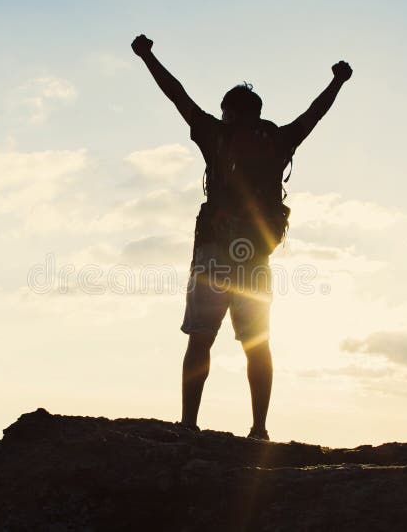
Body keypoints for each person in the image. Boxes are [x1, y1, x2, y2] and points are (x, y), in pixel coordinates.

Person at [132, 34, 352, 440]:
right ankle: (260, 430)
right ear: (259, 112)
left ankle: (188, 426)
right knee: (257, 345)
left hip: (214, 253)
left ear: (228, 112)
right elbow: (313, 114)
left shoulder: (214, 134)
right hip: (255, 258)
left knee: (201, 339)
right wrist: (338, 82)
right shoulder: (280, 140)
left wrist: (148, 56)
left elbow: (175, 94)